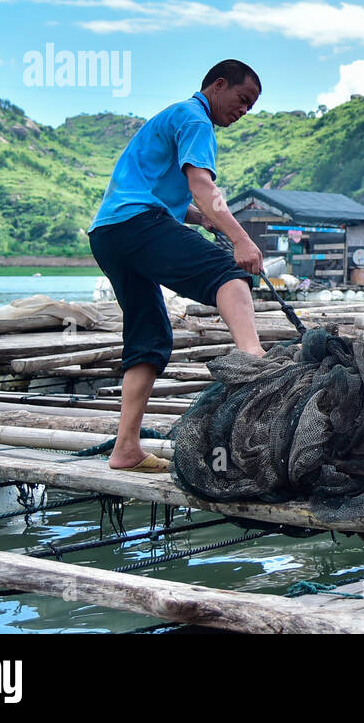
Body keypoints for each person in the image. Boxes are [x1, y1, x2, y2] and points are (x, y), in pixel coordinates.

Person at [88, 60, 266, 472]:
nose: (243, 112)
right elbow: (202, 185)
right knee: (229, 272)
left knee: (148, 336)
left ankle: (126, 448)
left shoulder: (171, 116)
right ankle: (253, 359)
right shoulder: (195, 118)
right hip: (136, 223)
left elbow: (160, 191)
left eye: (250, 108)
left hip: (109, 235)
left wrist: (201, 218)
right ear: (217, 86)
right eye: (242, 100)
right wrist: (241, 239)